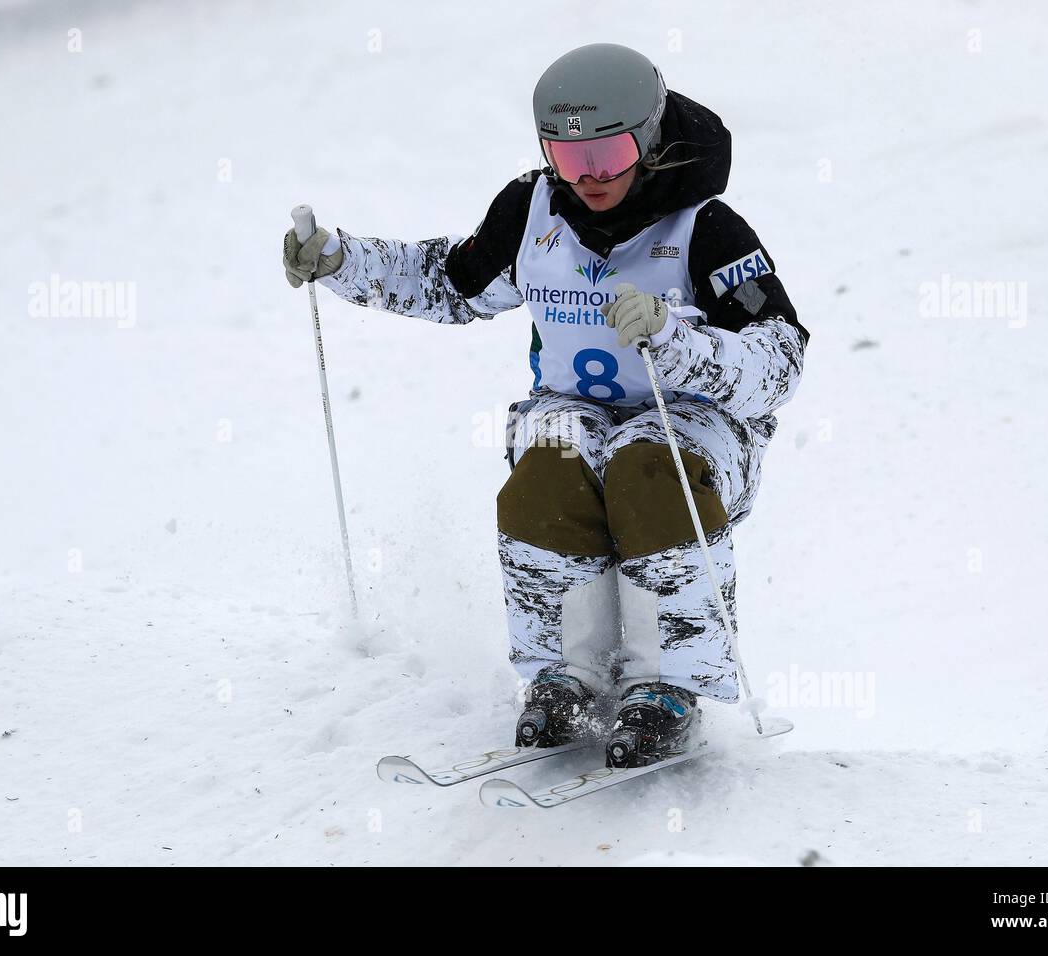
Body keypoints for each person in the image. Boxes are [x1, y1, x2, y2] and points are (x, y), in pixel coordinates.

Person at [283, 43, 808, 767]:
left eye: (612, 153)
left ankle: (668, 686)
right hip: (572, 406)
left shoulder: (706, 228)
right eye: (568, 158)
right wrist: (342, 260)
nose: (590, 177)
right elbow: (449, 282)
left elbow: (780, 363)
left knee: (645, 466)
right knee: (549, 468)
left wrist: (679, 342)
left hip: (698, 429)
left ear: (651, 138)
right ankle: (571, 672)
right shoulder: (532, 212)